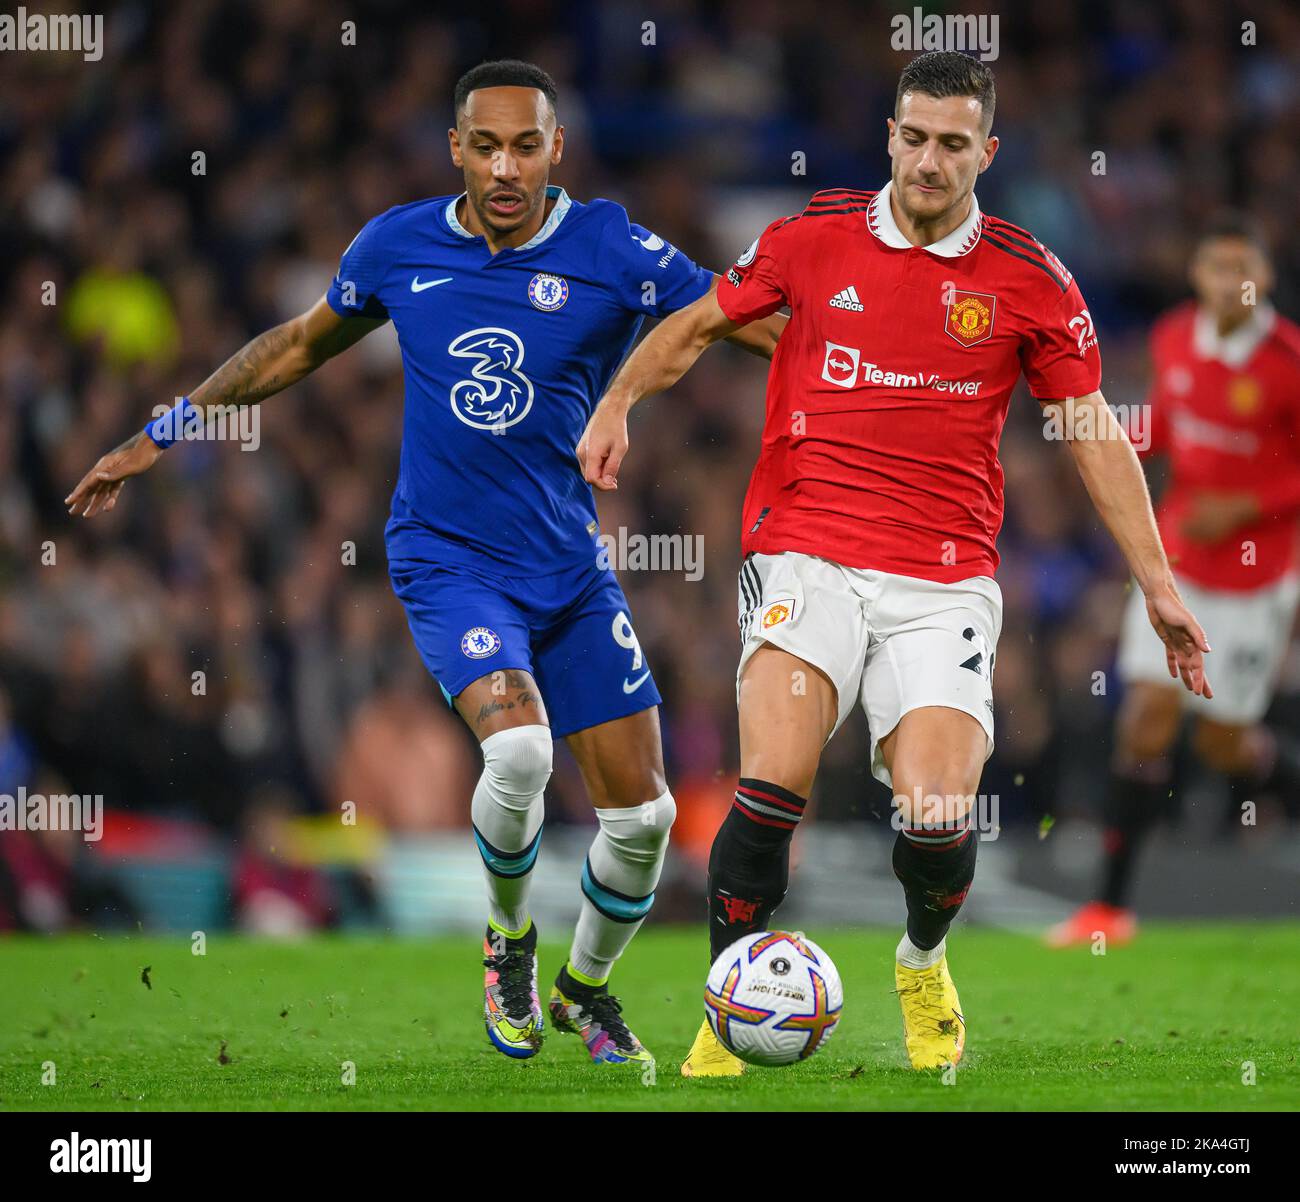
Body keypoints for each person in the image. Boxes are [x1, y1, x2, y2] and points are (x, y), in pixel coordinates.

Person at [65, 59, 785, 1068]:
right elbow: (299, 344)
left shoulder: (610, 244)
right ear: (455, 148)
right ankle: (508, 940)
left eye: (524, 145)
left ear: (555, 151)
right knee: (521, 755)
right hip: (448, 561)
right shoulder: (397, 244)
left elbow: (738, 316)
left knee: (644, 820)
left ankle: (585, 990)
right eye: (484, 145)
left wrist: (879, 370)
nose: (503, 166)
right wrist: (166, 425)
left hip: (569, 568)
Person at [577, 50, 1211, 1077]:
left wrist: (1160, 584)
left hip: (942, 581)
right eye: (912, 137)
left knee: (934, 813)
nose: (927, 159)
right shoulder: (810, 239)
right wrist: (615, 405)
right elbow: (696, 323)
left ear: (985, 152)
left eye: (951, 143)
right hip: (804, 554)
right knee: (770, 788)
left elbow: (1090, 429)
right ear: (889, 135)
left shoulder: (1026, 278)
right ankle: (728, 1006)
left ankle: (921, 961)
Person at [1048, 213, 1300, 948]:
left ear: (1266, 278)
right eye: (1216, 268)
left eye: (1242, 268)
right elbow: (1167, 423)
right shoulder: (1173, 338)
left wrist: (1248, 505)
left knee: (1227, 745)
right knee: (1147, 718)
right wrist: (1109, 445)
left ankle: (1270, 779)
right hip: (1176, 567)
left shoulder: (1287, 362)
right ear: (1197, 276)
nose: (1230, 282)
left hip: (1254, 582)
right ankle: (1109, 909)